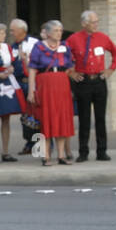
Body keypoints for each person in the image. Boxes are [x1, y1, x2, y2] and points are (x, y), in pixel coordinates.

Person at [64, 10, 116, 161]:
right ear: (84, 24)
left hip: (99, 80)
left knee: (100, 117)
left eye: (97, 21)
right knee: (84, 118)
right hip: (83, 81)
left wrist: (111, 69)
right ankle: (83, 152)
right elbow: (63, 55)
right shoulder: (74, 39)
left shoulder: (102, 38)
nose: (96, 25)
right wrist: (71, 72)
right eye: (93, 22)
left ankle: (102, 151)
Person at [26, 19, 75, 166]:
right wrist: (31, 90)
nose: (59, 33)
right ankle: (45, 155)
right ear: (47, 33)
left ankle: (61, 155)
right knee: (46, 117)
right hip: (45, 84)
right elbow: (32, 69)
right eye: (56, 30)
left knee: (61, 118)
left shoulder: (65, 46)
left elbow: (69, 65)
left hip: (61, 83)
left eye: (60, 31)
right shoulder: (39, 47)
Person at [0, 23, 23, 162]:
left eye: (4, 33)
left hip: (8, 82)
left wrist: (12, 68)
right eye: (1, 33)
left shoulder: (7, 47)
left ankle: (6, 152)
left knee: (6, 118)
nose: (4, 35)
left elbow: (13, 62)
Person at [8, 19, 38, 153]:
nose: (11, 33)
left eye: (13, 30)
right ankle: (29, 143)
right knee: (25, 115)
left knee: (37, 114)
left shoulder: (35, 43)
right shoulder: (12, 46)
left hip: (33, 82)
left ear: (22, 30)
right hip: (19, 83)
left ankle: (42, 142)